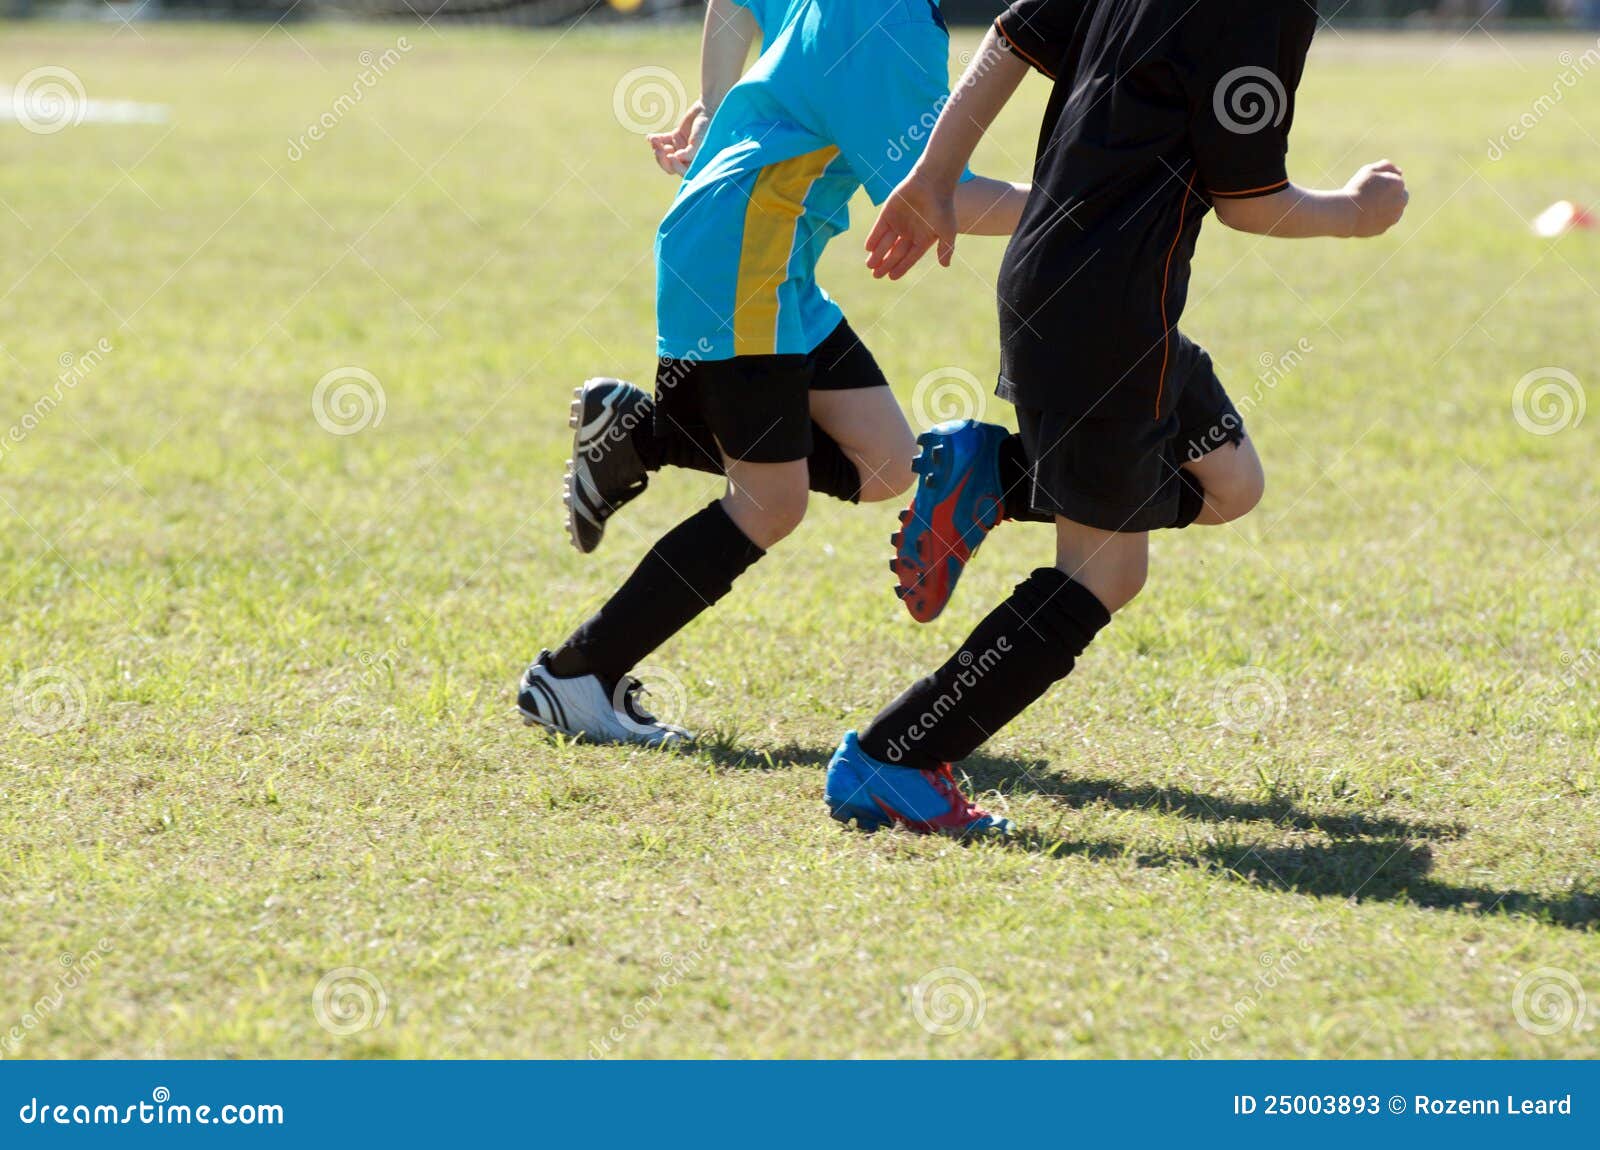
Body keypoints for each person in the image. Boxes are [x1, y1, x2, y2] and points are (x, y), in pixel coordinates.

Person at [826, 0, 1410, 836]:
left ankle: (999, 474)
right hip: (1111, 316)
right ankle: (896, 755)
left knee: (1228, 482)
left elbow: (1008, 39)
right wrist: (1353, 215)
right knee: (1106, 572)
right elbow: (1248, 197)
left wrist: (936, 174)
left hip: (1078, 293)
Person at [520, 0, 1030, 745]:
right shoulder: (890, 26)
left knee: (885, 460)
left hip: (774, 262)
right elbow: (931, 193)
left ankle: (640, 435)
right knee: (770, 501)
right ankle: (576, 676)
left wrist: (717, 112)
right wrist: (1087, 200)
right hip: (740, 256)